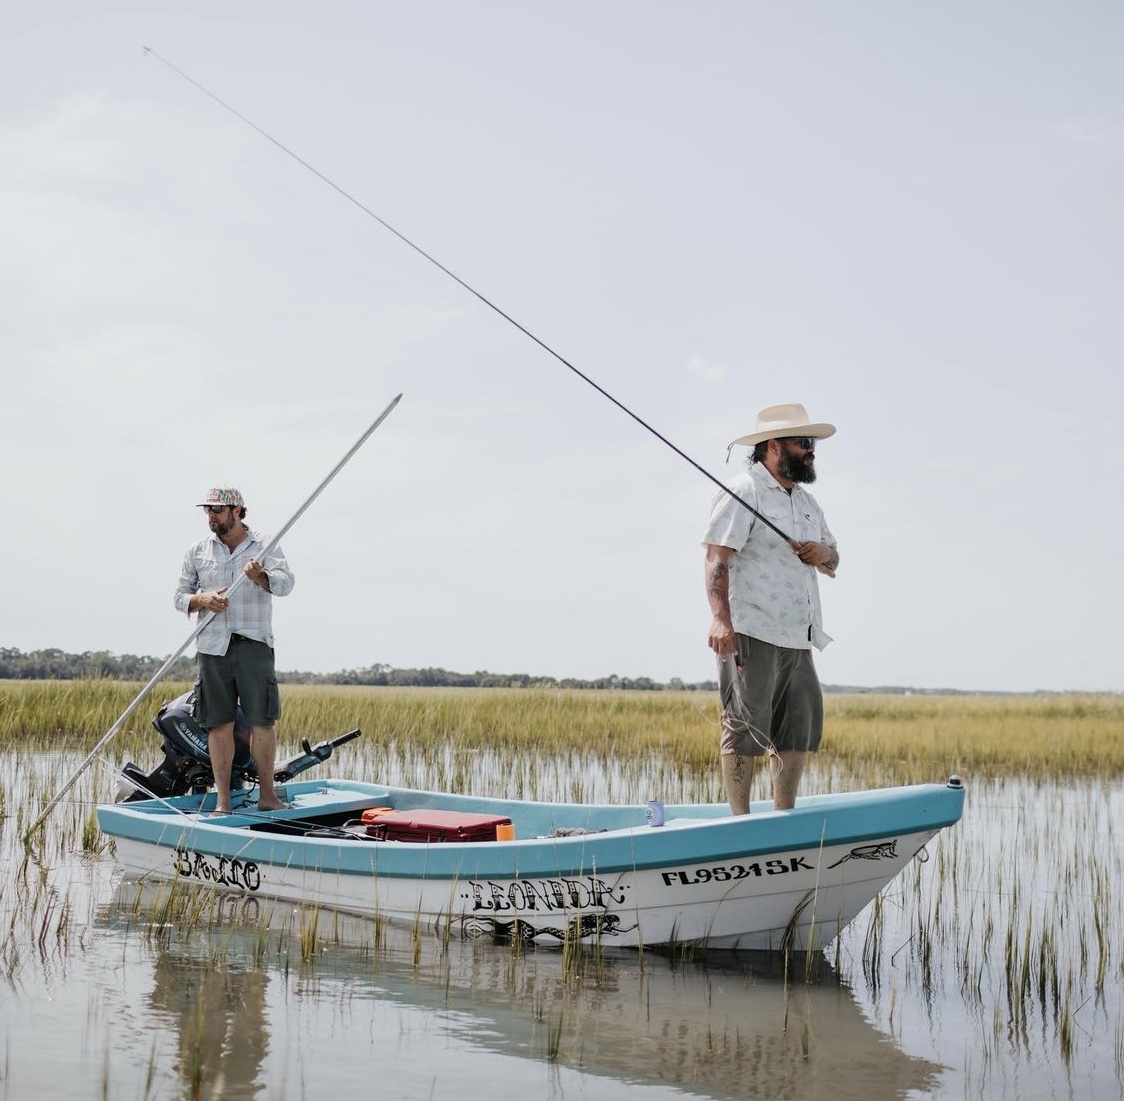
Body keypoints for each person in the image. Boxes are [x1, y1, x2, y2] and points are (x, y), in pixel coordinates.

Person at [702, 402, 839, 814]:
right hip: (751, 629)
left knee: (798, 727)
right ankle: (741, 823)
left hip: (800, 634)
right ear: (773, 446)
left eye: (812, 442)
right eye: (804, 442)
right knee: (744, 727)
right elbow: (716, 558)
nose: (811, 449)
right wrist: (720, 620)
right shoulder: (743, 492)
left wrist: (822, 553)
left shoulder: (808, 503)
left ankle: (784, 816)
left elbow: (835, 559)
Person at [174, 486, 295, 814]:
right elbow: (180, 597)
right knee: (218, 724)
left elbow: (285, 584)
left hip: (254, 643)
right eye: (207, 510)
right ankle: (224, 802)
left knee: (263, 721)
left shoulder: (265, 544)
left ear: (237, 511)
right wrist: (203, 600)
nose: (210, 516)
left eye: (217, 509)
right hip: (212, 648)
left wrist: (261, 576)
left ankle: (268, 797)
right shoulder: (197, 551)